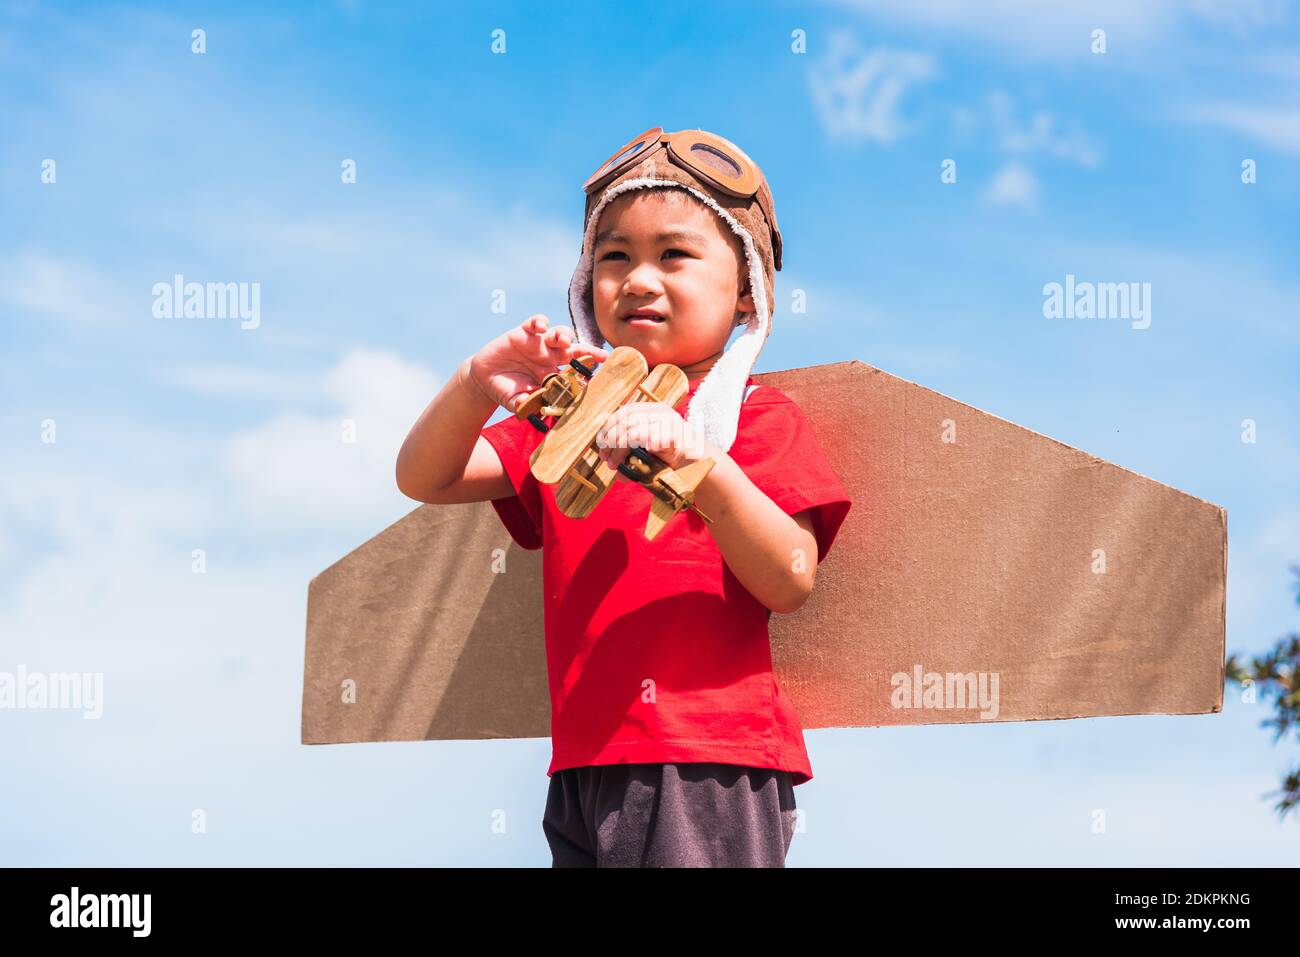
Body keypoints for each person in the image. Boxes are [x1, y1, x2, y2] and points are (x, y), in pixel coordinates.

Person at [396, 127, 852, 867]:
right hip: (582, 763)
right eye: (614, 257)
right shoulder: (574, 421)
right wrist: (476, 380)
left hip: (703, 759)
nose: (639, 278)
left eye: (673, 254)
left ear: (746, 293)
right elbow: (426, 476)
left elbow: (792, 575)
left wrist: (696, 459)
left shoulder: (753, 421)